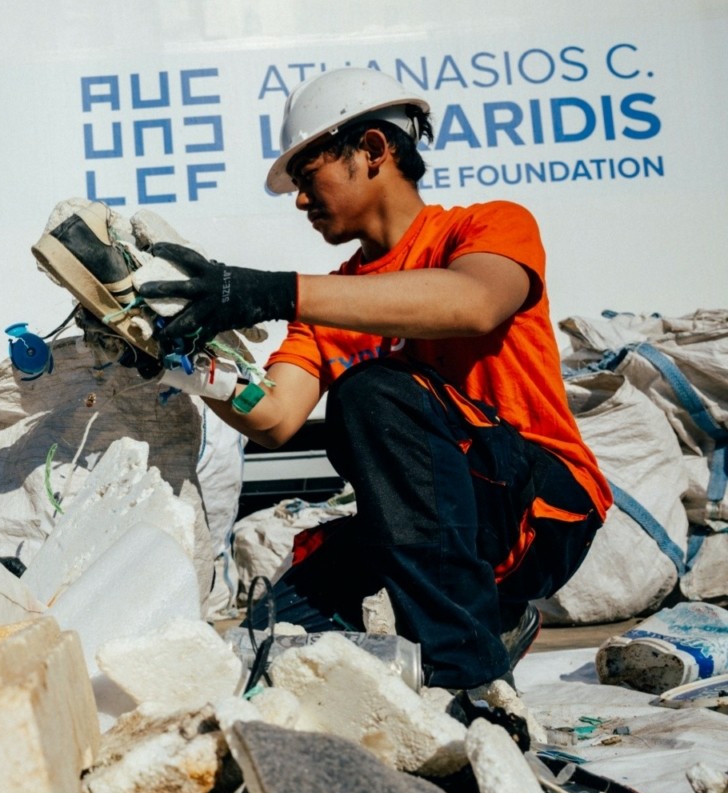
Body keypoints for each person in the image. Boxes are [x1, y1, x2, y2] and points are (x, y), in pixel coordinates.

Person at [137, 67, 610, 690]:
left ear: (372, 149)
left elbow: (475, 303)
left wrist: (275, 292)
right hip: (434, 518)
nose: (300, 201)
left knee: (373, 392)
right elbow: (274, 417)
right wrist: (185, 361)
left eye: (308, 177)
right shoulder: (334, 299)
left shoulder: (487, 226)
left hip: (541, 507)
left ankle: (471, 683)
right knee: (271, 646)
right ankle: (491, 620)